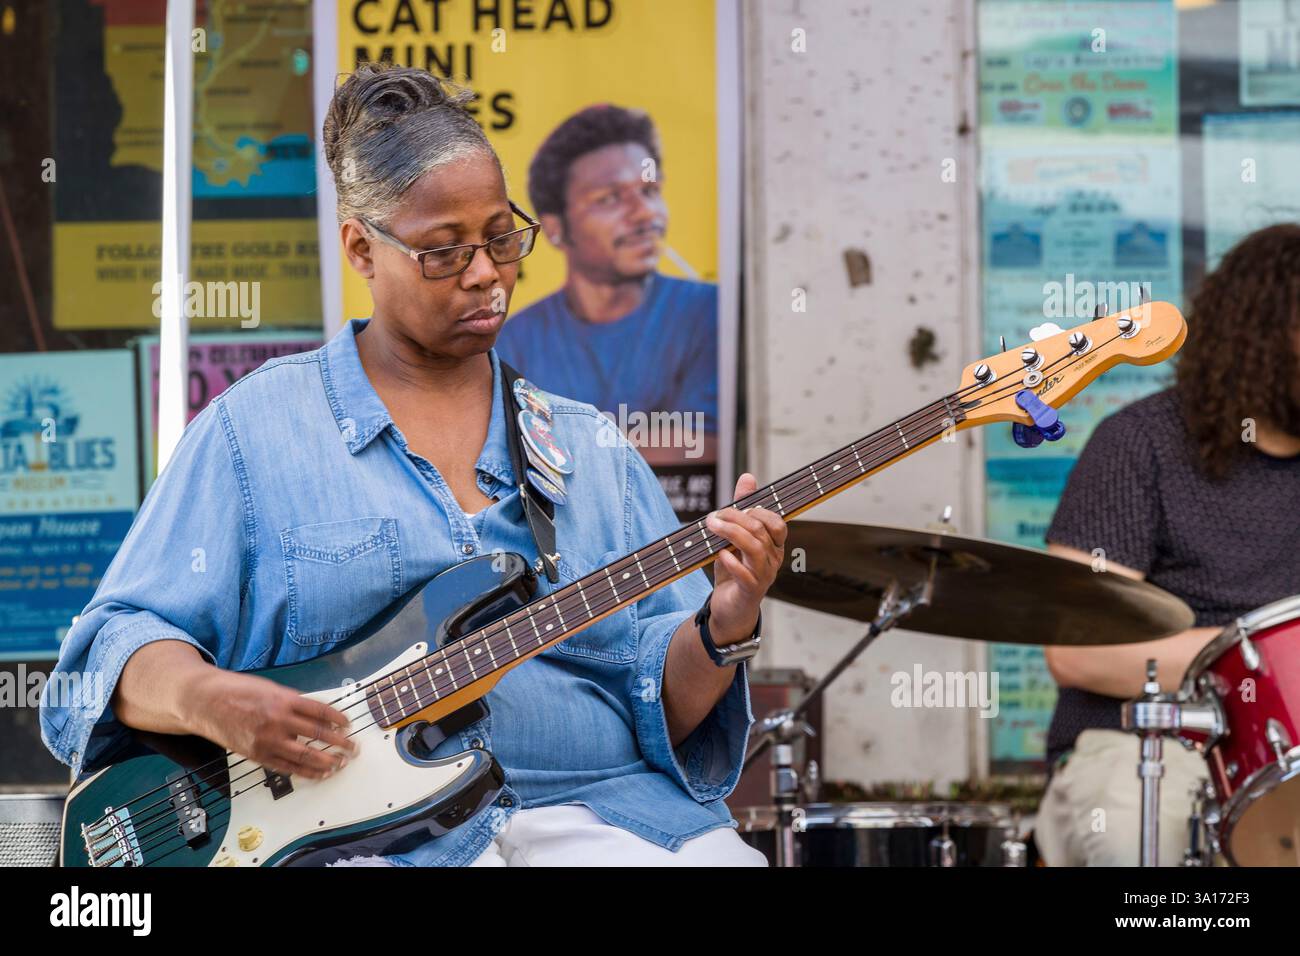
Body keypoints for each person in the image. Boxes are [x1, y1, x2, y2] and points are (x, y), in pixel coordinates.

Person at [39, 62, 781, 867]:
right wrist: (207, 698)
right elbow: (109, 644)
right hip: (367, 844)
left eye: (502, 236)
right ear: (361, 245)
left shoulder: (591, 450)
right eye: (442, 252)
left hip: (606, 818)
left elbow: (663, 707)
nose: (487, 273)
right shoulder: (254, 435)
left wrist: (725, 622)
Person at [1035, 223, 1300, 866]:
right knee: (1140, 838)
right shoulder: (1142, 444)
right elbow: (1076, 652)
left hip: (1285, 753)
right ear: (1263, 335)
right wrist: (1254, 664)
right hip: (1147, 740)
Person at [493, 104, 718, 467]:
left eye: (649, 191)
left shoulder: (709, 313)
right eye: (610, 199)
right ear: (554, 228)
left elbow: (703, 447)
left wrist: (554, 446)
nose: (644, 213)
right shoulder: (513, 342)